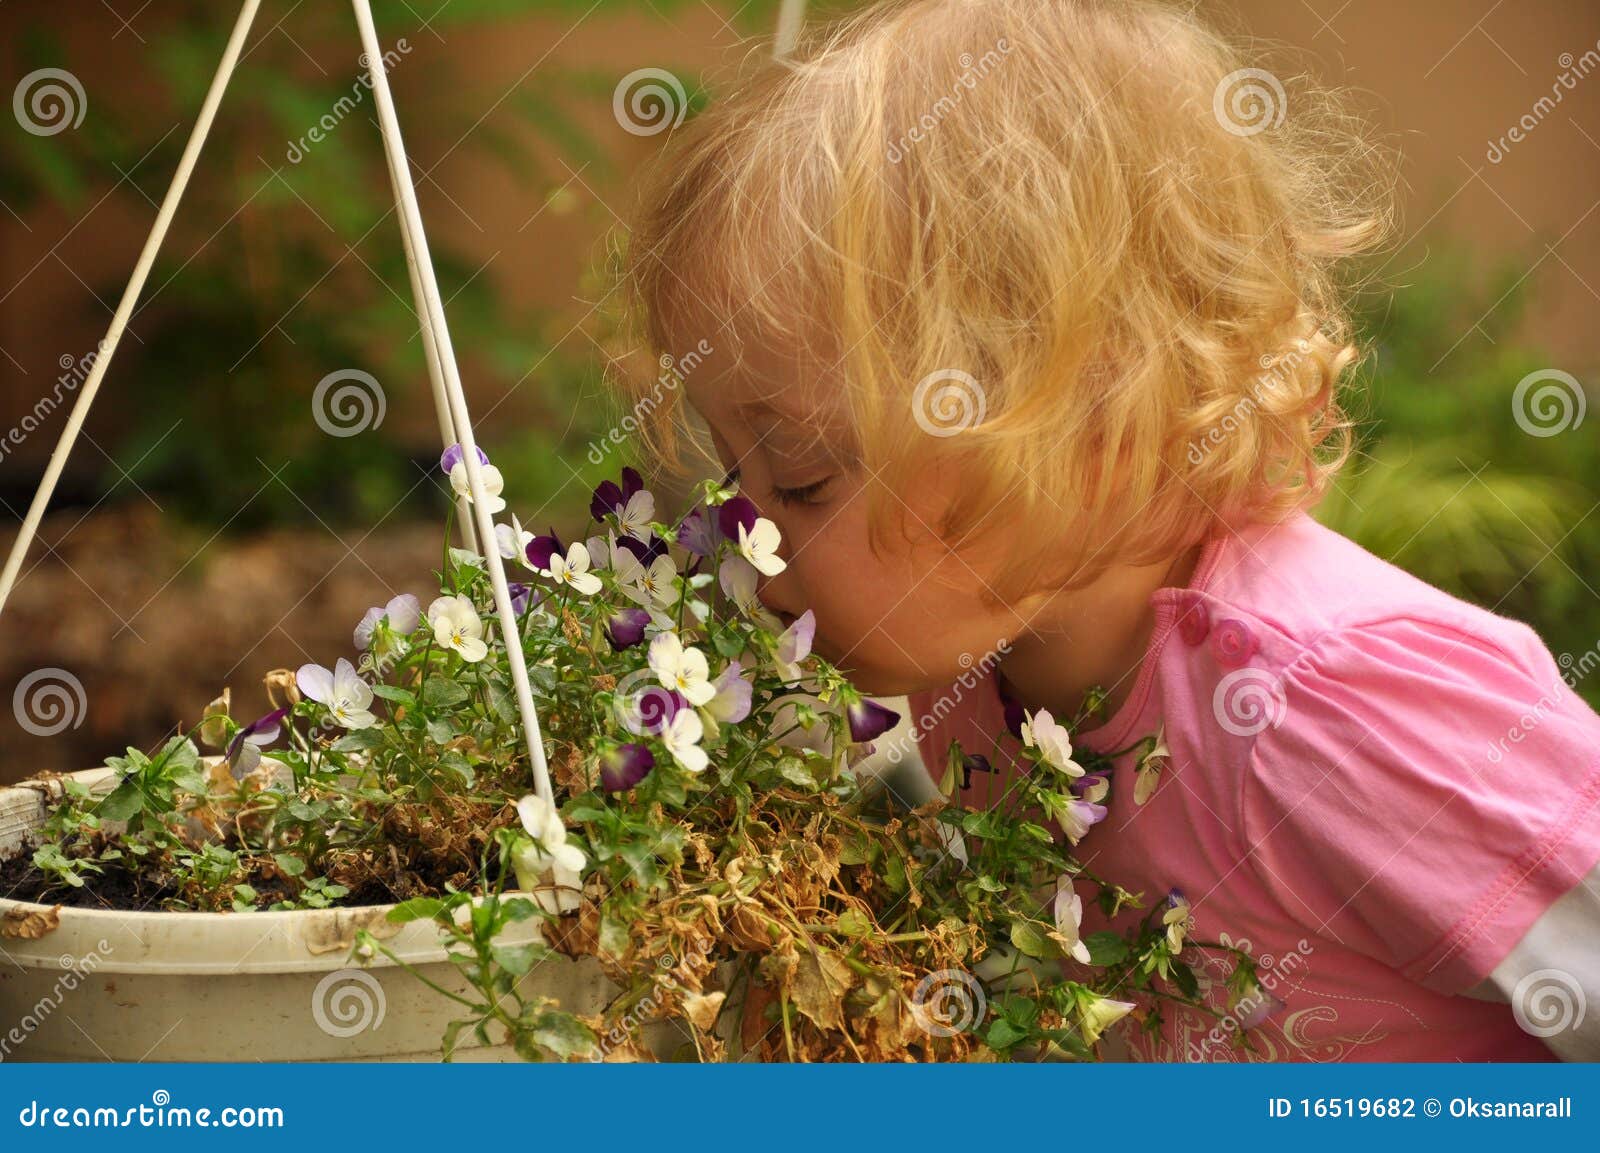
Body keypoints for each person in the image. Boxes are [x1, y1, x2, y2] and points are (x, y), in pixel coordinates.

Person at [610, 0, 1600, 1060]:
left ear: (1090, 421)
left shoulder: (1324, 711)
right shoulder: (988, 696)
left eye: (802, 479)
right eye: (733, 474)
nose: (743, 543)